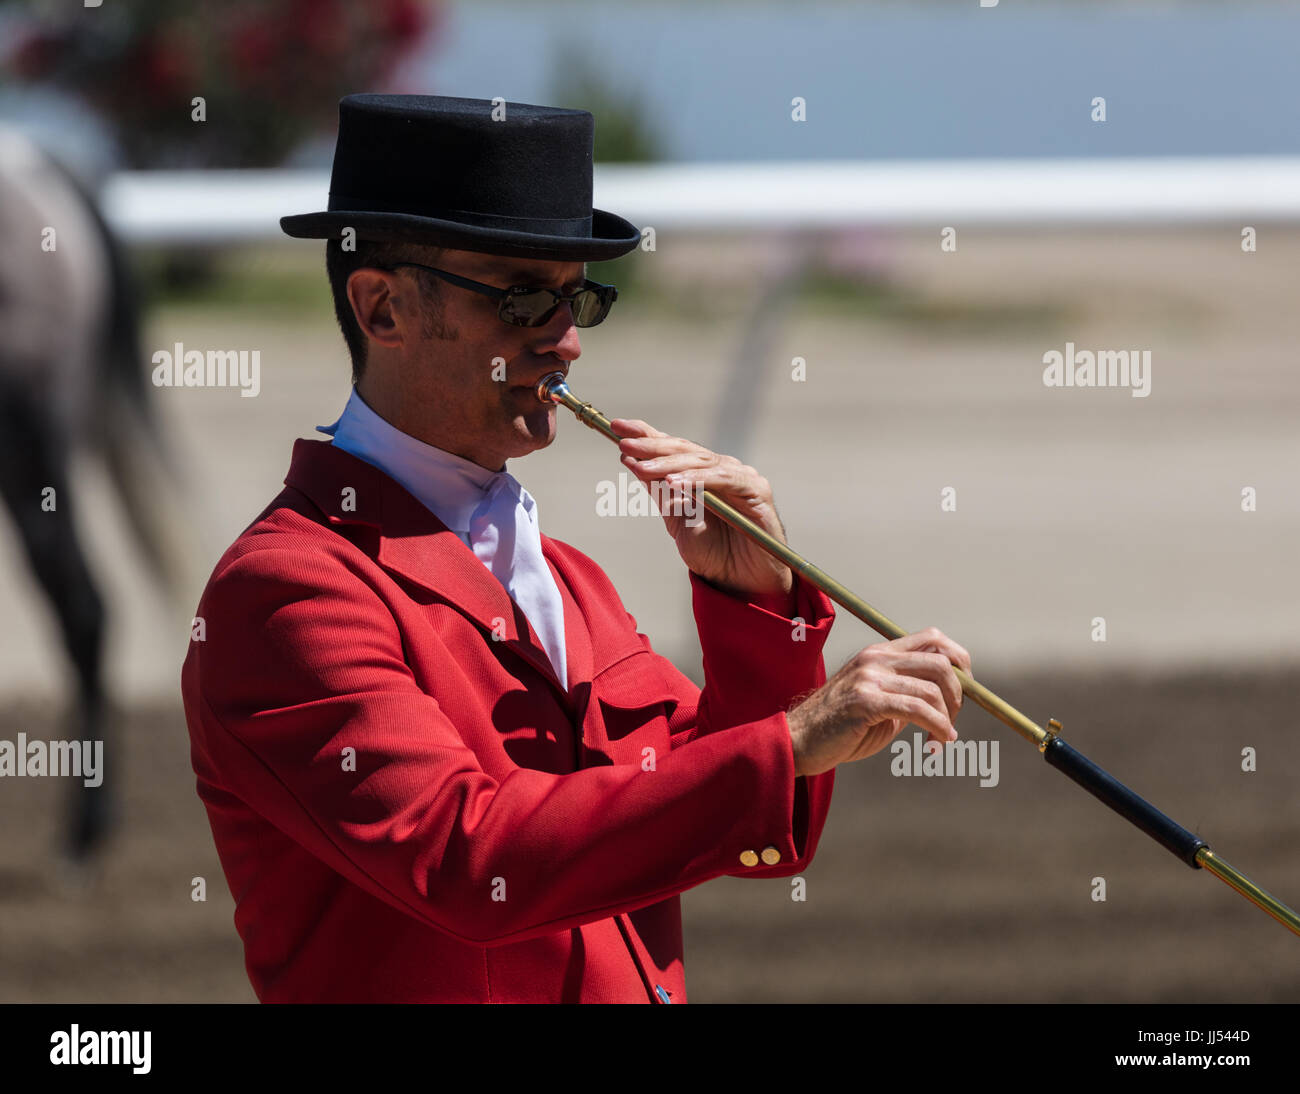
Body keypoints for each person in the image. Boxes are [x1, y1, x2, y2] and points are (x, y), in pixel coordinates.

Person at [181, 94, 971, 1003]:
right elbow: (468, 862)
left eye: (577, 300)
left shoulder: (569, 580)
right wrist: (791, 739)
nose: (564, 344)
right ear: (383, 307)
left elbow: (741, 833)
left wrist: (754, 610)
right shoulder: (288, 590)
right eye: (522, 299)